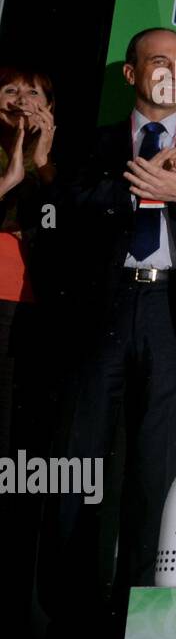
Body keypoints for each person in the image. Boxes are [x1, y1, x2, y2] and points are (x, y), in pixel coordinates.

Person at [50, 28, 176, 615]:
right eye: (158, 61)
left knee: (157, 467)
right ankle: (69, 611)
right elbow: (63, 213)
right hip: (103, 312)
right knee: (80, 463)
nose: (171, 71)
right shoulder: (96, 144)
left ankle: (136, 614)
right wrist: (138, 185)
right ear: (131, 73)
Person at [0, 67, 57, 450]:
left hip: (41, 299)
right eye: (10, 90)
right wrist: (9, 179)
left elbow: (78, 222)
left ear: (49, 107)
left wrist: (43, 158)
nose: (22, 100)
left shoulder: (62, 162)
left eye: (33, 93)